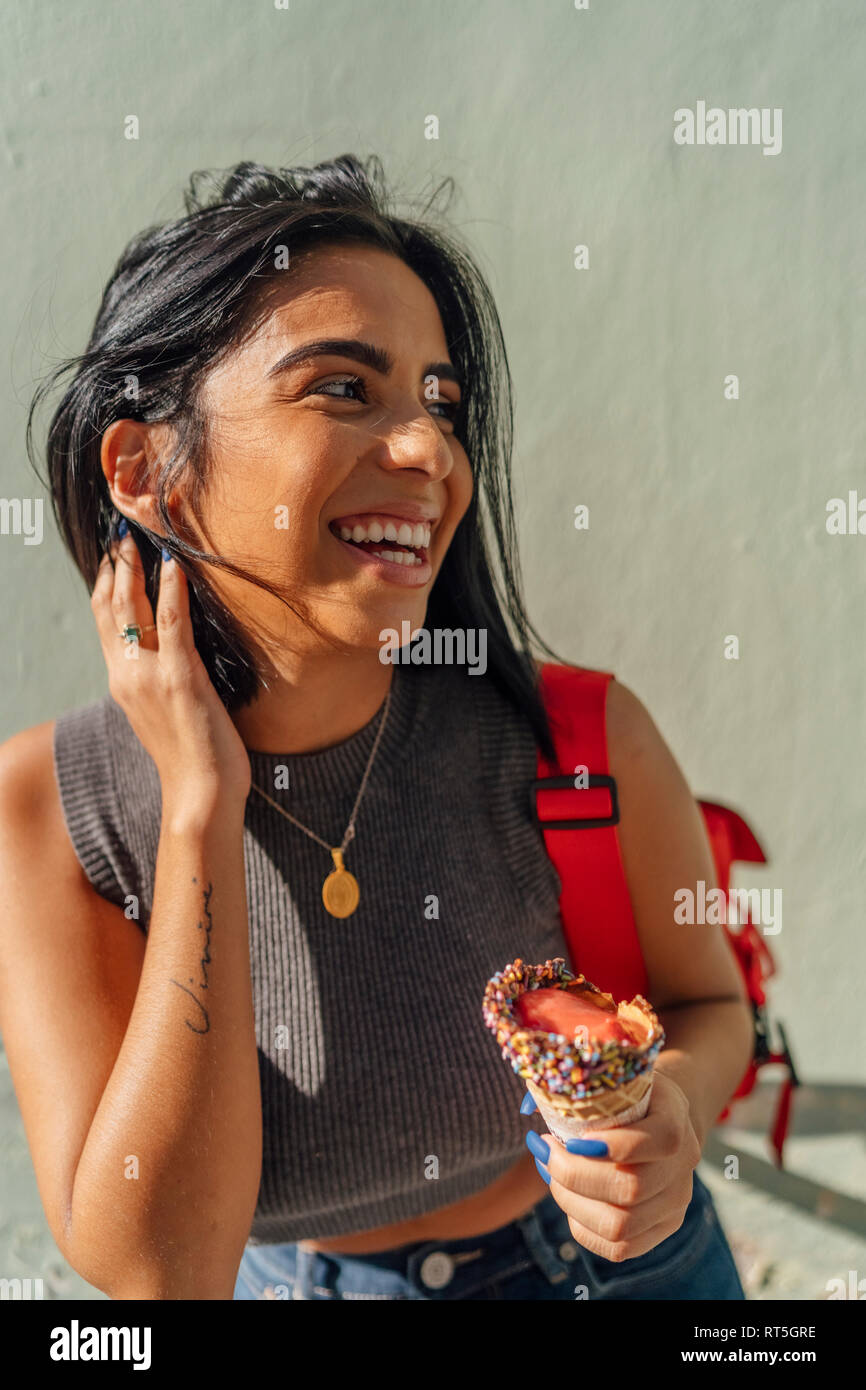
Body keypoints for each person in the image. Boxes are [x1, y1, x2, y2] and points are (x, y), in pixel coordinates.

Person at [0, 156, 750, 1300]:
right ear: (144, 468)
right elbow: (162, 1273)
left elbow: (708, 1004)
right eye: (344, 389)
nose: (428, 454)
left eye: (440, 403)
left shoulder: (577, 741)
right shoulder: (50, 813)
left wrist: (673, 1117)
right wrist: (200, 806)